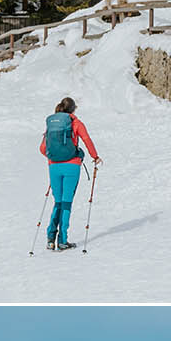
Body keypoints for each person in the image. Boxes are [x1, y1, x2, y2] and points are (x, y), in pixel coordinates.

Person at [38, 96, 100, 251]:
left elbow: (43, 149)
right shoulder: (76, 123)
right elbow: (87, 140)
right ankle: (63, 241)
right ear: (73, 109)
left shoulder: (51, 125)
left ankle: (50, 238)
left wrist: (53, 159)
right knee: (66, 203)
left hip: (53, 167)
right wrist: (95, 157)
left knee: (57, 202)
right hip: (71, 166)